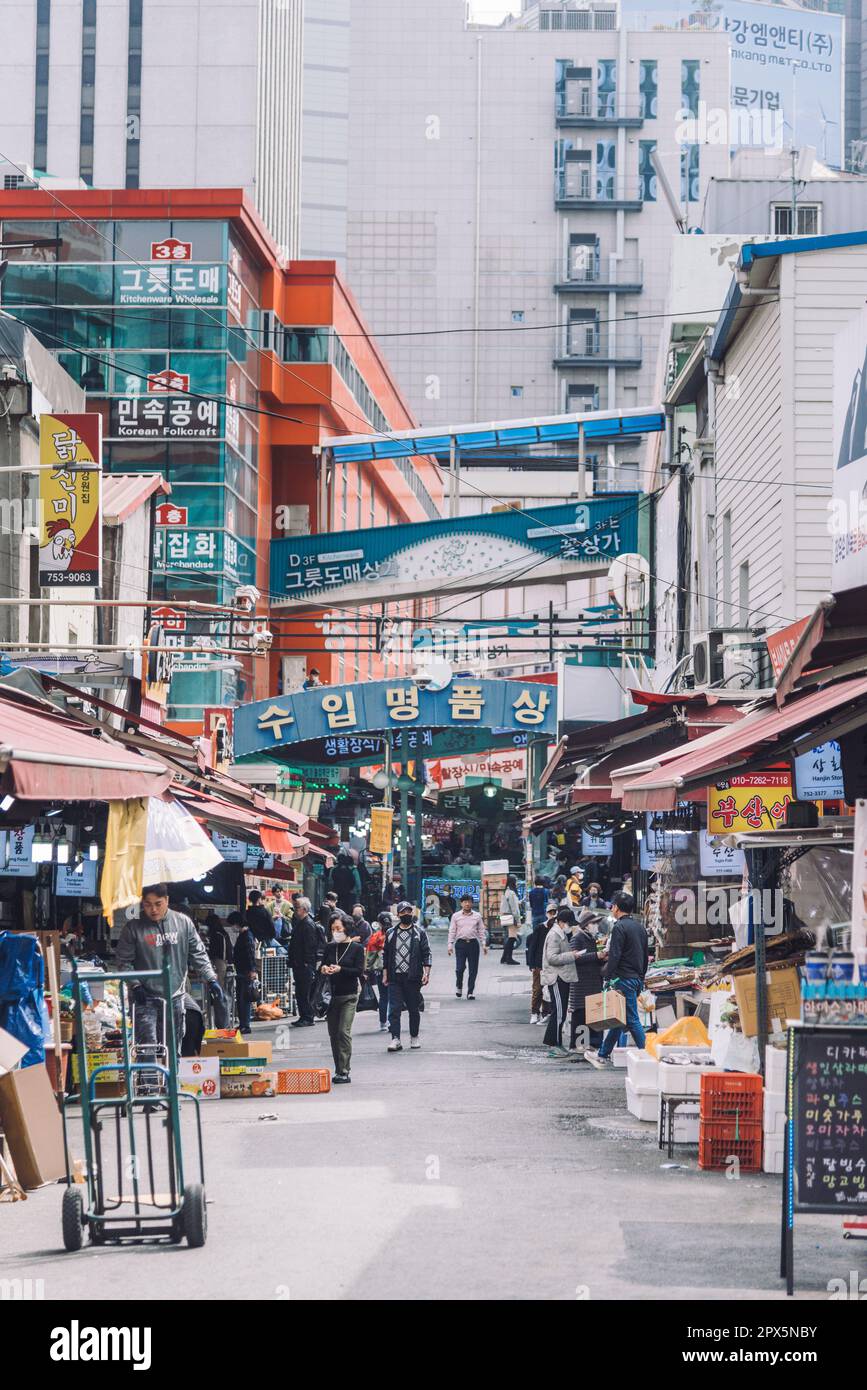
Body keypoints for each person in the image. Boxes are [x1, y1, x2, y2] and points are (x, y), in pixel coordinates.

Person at [115, 884, 225, 1054]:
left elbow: (198, 954)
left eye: (158, 904)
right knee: (147, 1048)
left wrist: (211, 978)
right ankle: (149, 1080)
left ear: (166, 900)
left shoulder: (183, 923)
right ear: (141, 904)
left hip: (175, 996)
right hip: (145, 997)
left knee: (174, 1047)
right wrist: (135, 985)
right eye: (147, 904)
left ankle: (172, 1080)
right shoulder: (133, 928)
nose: (153, 909)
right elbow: (123, 962)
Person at [586, 891, 650, 1069]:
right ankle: (603, 1055)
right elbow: (645, 956)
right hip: (636, 978)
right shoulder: (639, 927)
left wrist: (607, 976)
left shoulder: (619, 928)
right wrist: (641, 977)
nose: (611, 909)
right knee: (618, 1018)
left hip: (624, 979)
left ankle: (649, 1054)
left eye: (612, 906)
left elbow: (615, 955)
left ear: (616, 908)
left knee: (631, 1020)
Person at [318, 914, 365, 1083]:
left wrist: (340, 969)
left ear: (347, 928)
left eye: (338, 928)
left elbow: (359, 971)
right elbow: (322, 965)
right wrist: (324, 969)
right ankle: (338, 1069)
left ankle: (344, 1070)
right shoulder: (330, 947)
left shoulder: (357, 948)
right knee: (333, 1034)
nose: (335, 932)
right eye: (332, 929)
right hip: (331, 996)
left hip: (349, 996)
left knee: (343, 1032)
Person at [383, 902, 431, 1052]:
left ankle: (414, 1036)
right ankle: (395, 1039)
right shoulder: (390, 933)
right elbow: (386, 955)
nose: (406, 914)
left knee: (413, 1008)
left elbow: (426, 953)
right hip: (394, 977)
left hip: (413, 977)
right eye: (403, 912)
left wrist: (426, 973)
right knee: (394, 1009)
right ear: (398, 915)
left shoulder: (419, 932)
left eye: (409, 912)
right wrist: (385, 975)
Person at [540, 908, 579, 1051]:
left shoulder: (560, 933)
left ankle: (555, 1042)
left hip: (562, 977)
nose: (570, 927)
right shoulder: (554, 935)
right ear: (562, 922)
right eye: (569, 924)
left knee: (560, 1012)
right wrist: (571, 956)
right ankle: (554, 1044)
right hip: (556, 978)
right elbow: (552, 958)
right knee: (559, 1013)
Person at [567, 910, 605, 1055]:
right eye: (594, 923)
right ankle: (576, 1045)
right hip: (581, 984)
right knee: (579, 1014)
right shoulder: (577, 938)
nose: (596, 926)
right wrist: (596, 955)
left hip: (591, 983)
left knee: (590, 1014)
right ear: (586, 925)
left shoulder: (589, 938)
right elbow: (575, 957)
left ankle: (588, 1044)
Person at [289, 896, 322, 1028]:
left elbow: (310, 946)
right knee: (301, 992)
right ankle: (304, 1016)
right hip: (300, 963)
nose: (295, 911)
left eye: (297, 908)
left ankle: (308, 1017)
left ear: (304, 909)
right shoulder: (301, 923)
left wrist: (307, 963)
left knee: (304, 992)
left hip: (304, 964)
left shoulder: (308, 924)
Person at [447, 893, 487, 999]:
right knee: (459, 968)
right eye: (465, 902)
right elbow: (452, 931)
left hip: (473, 944)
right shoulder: (456, 916)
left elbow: (481, 931)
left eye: (469, 902)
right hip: (460, 944)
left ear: (472, 903)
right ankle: (459, 986)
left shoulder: (477, 916)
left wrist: (483, 944)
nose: (467, 904)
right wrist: (450, 944)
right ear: (461, 904)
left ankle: (470, 992)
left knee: (473, 969)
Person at [525, 906, 555, 1025]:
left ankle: (546, 1013)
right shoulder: (540, 928)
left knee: (548, 990)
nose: (552, 915)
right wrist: (531, 963)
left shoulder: (556, 929)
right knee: (537, 989)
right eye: (550, 912)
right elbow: (533, 946)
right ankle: (534, 1012)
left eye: (554, 912)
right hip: (538, 963)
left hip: (551, 964)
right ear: (546, 913)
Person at [231, 912, 258, 1035]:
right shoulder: (245, 935)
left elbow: (250, 953)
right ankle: (243, 1024)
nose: (232, 927)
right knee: (242, 999)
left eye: (233, 924)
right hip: (243, 971)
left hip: (246, 972)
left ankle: (245, 1025)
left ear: (237, 923)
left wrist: (252, 970)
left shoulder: (246, 936)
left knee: (244, 999)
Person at [366, 912, 391, 1031]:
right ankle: (392, 1021)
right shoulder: (395, 934)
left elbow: (370, 956)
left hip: (380, 971)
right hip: (394, 970)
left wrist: (367, 970)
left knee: (383, 996)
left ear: (379, 923)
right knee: (394, 996)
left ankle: (383, 1023)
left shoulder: (376, 936)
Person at [499, 874, 522, 965]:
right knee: (512, 938)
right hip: (511, 917)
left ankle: (504, 957)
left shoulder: (506, 892)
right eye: (516, 881)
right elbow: (514, 909)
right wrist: (518, 920)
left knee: (510, 937)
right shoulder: (511, 893)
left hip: (506, 916)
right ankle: (509, 958)